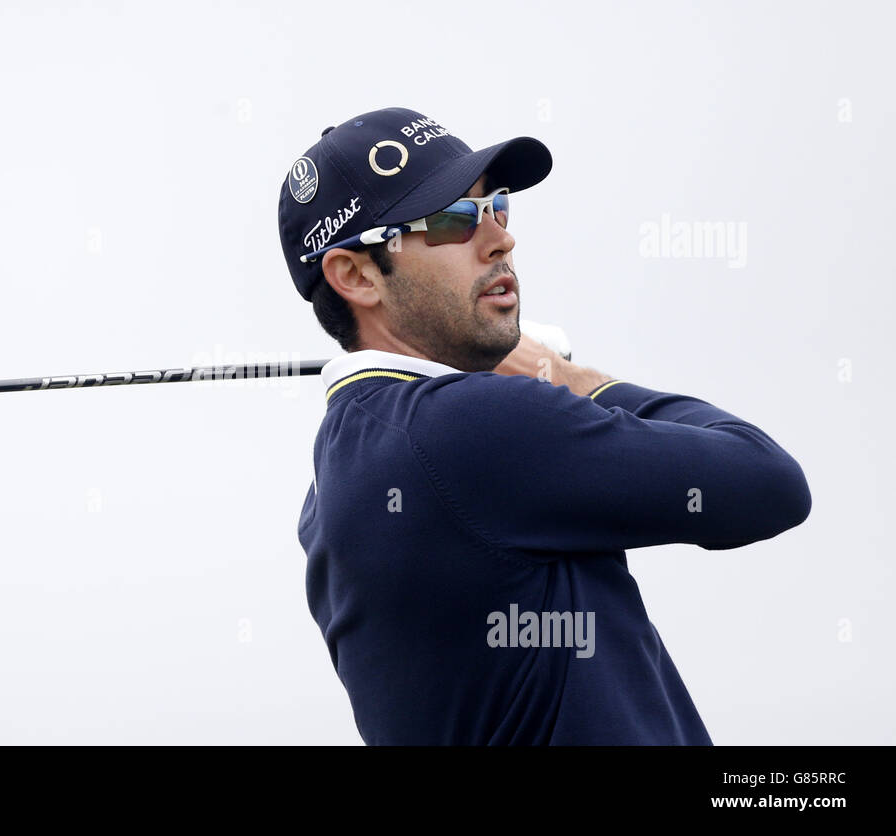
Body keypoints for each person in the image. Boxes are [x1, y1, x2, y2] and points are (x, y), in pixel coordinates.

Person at [277, 107, 811, 745]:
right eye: (452, 219)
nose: (499, 238)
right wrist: (571, 378)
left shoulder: (331, 487)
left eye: (496, 206)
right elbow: (767, 482)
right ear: (356, 275)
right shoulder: (470, 426)